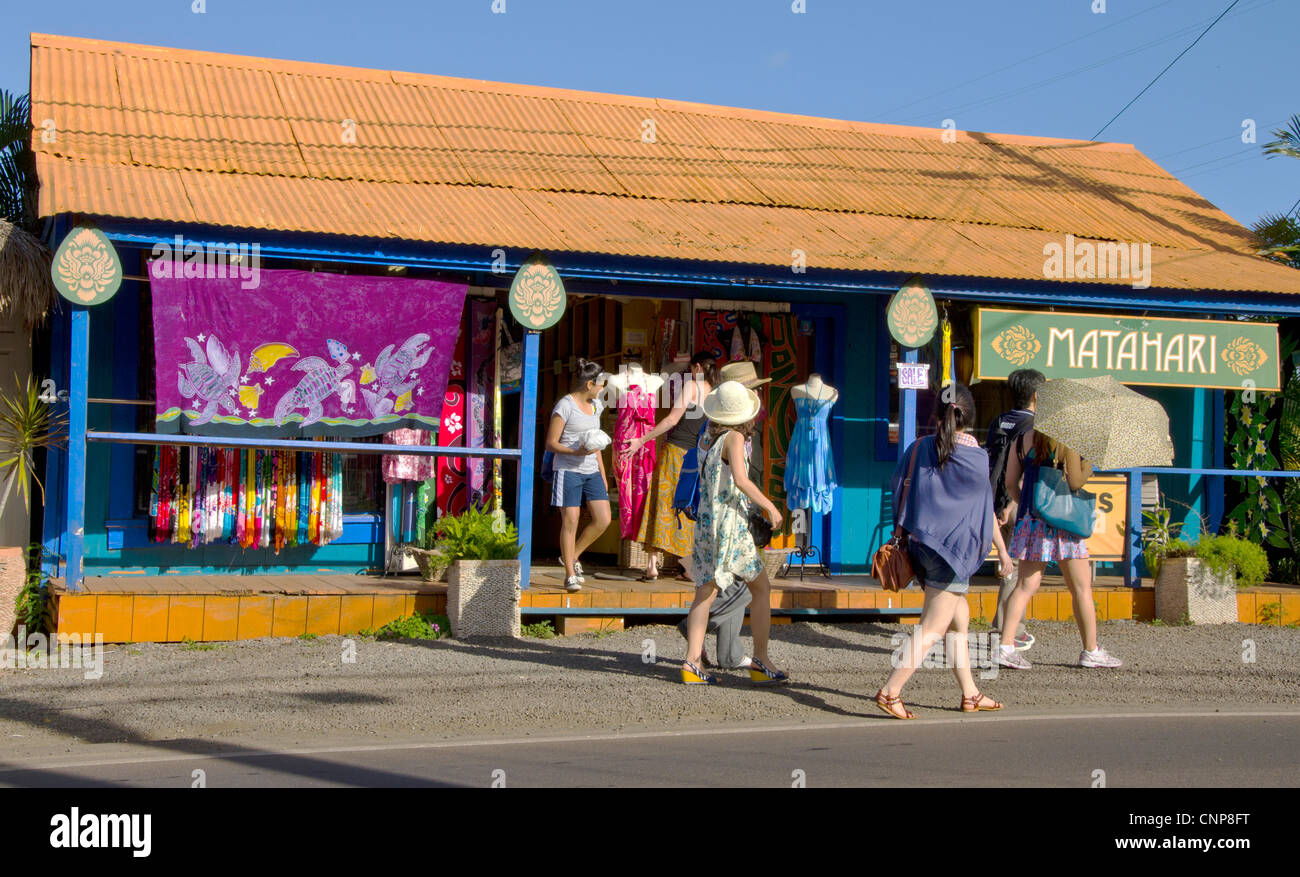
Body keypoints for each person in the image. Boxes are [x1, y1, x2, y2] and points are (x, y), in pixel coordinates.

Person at [875, 383, 1013, 719]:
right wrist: (1004, 554)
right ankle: (891, 691)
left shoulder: (919, 446)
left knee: (958, 620)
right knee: (933, 627)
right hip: (952, 553)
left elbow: (897, 485)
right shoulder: (977, 457)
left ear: (936, 414)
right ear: (970, 415)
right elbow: (984, 512)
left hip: (921, 545)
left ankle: (970, 693)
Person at [680, 381, 786, 685]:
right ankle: (760, 661)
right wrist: (770, 507)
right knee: (761, 589)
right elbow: (741, 479)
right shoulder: (736, 438)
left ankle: (693, 660)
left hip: (709, 525)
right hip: (731, 527)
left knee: (706, 592)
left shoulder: (709, 440)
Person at [996, 427, 1122, 670]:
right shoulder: (1068, 437)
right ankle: (1091, 650)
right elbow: (1075, 481)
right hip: (1064, 524)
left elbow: (1011, 482)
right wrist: (1089, 466)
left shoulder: (1021, 439)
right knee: (1081, 588)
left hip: (1033, 521)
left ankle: (1006, 647)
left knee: (1024, 586)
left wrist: (1029, 504)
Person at [622, 353, 718, 581]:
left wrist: (641, 440)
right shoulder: (716, 392)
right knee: (688, 508)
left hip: (676, 452)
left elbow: (672, 420)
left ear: (696, 367)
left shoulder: (692, 386)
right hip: (698, 456)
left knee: (661, 503)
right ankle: (687, 566)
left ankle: (654, 566)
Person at [984, 368, 1044, 652]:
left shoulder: (1000, 420)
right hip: (1015, 501)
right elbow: (1020, 469)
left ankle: (1002, 624)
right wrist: (1010, 504)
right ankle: (1008, 629)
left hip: (992, 497)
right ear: (1036, 395)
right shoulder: (1033, 427)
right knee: (1015, 569)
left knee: (1008, 565)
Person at [545, 359, 612, 593]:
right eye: (601, 384)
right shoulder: (565, 405)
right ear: (589, 383)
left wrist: (602, 474)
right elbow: (551, 443)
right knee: (571, 520)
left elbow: (596, 443)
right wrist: (575, 451)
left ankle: (572, 556)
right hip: (568, 470)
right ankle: (569, 575)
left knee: (603, 519)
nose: (603, 389)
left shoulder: (597, 407)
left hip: (591, 470)